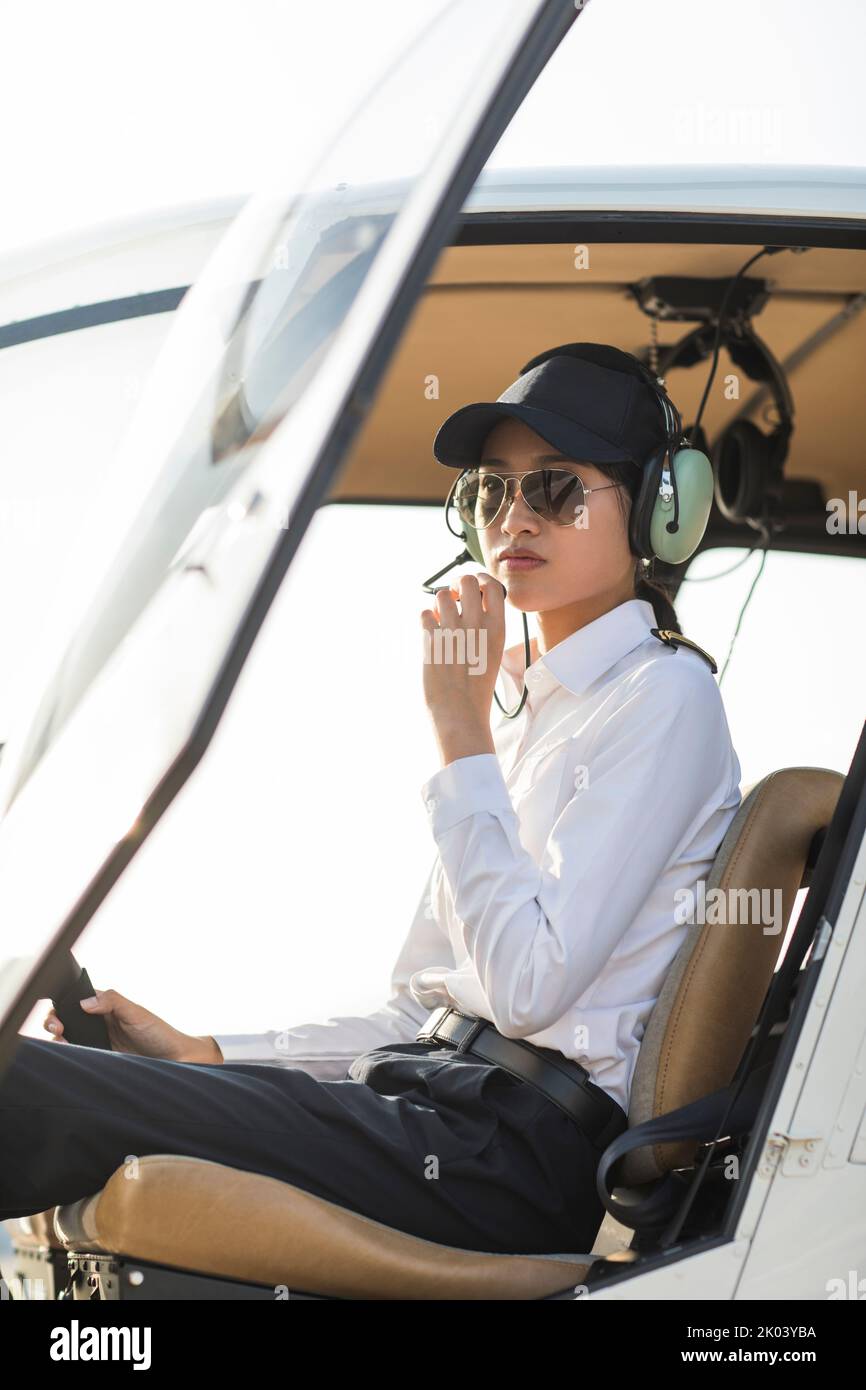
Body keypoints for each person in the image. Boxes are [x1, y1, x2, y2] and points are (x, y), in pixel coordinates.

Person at [0, 344, 742, 1261]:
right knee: (40, 1076)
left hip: (516, 1158)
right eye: (491, 491)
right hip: (435, 1102)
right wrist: (213, 1053)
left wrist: (458, 733)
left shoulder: (663, 697)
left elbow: (528, 985)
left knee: (24, 1089)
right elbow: (417, 1012)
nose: (515, 516)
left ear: (661, 509)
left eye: (556, 489)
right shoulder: (515, 705)